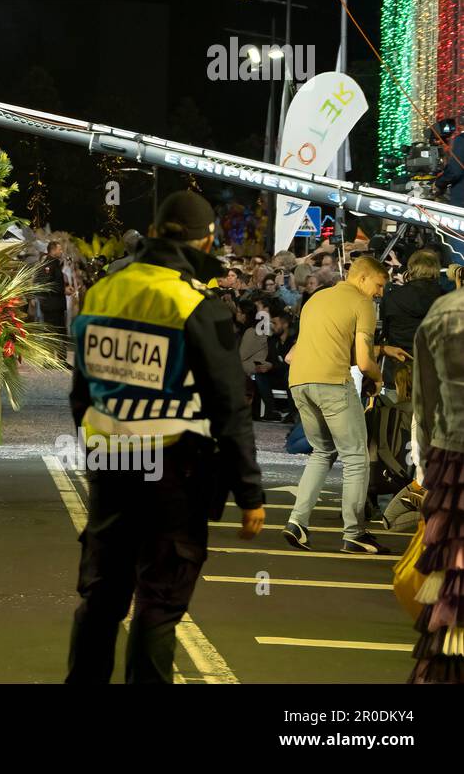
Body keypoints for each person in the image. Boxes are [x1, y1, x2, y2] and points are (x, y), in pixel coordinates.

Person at [66, 190, 264, 684]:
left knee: (103, 596)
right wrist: (249, 492)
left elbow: (80, 391)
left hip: (108, 463)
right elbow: (228, 405)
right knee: (159, 600)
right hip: (172, 470)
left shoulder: (102, 292)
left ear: (153, 232)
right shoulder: (193, 303)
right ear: (207, 239)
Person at [284, 256, 408, 555]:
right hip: (331, 383)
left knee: (322, 452)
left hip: (300, 381)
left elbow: (324, 346)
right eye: (379, 284)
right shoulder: (362, 303)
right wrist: (377, 379)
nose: (380, 292)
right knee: (355, 457)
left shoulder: (317, 298)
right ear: (363, 278)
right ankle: (355, 533)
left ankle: (297, 522)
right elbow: (364, 362)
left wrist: (382, 349)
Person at [409, 282, 464, 683]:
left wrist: (430, 462)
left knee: (454, 585)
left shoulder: (443, 311)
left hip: (454, 457)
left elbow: (425, 400)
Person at [380, 248, 442, 396]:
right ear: (436, 269)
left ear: (411, 268)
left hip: (398, 371)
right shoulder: (448, 298)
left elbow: (385, 332)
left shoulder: (392, 297)